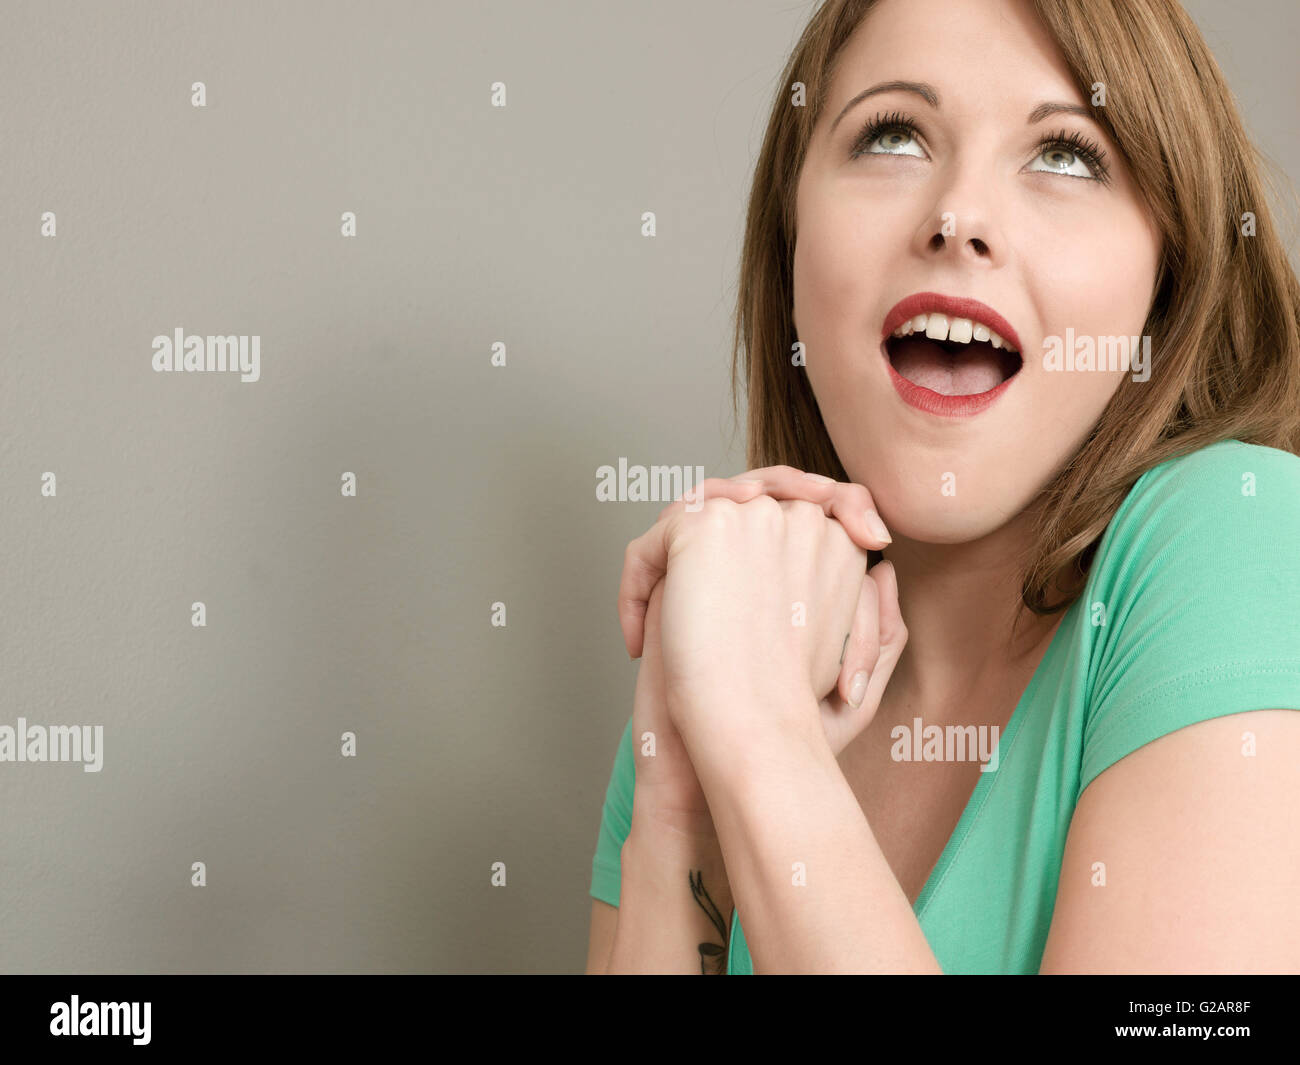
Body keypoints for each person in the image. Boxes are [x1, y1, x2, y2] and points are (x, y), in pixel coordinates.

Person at [587, 0, 1300, 974]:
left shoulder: (1241, 533)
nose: (958, 216)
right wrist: (679, 819)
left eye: (1065, 153)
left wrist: (760, 748)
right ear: (789, 233)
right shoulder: (733, 648)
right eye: (891, 133)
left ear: (1167, 276)